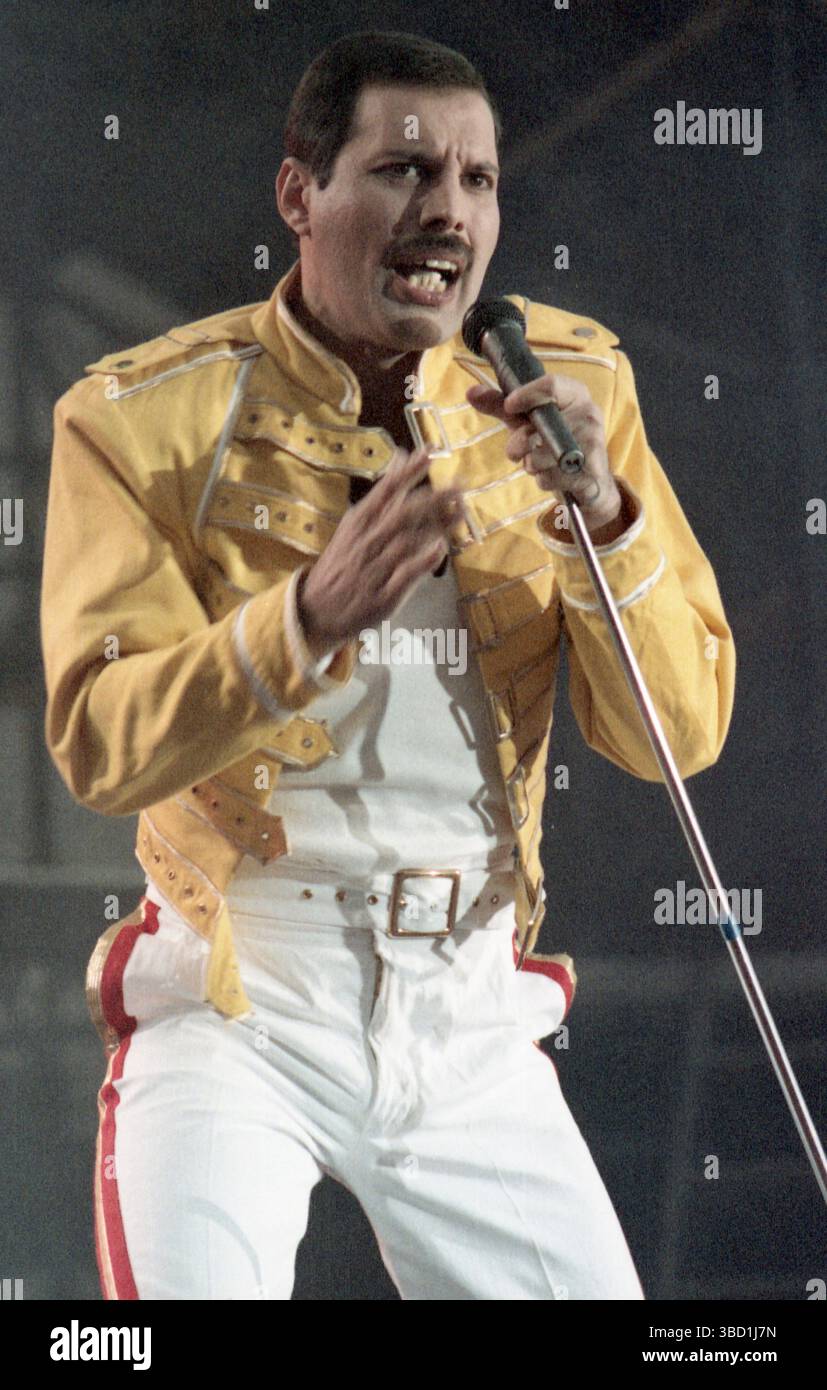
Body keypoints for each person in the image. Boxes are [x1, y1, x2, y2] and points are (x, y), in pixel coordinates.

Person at [41, 30, 735, 1300]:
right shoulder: (139, 418)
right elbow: (99, 741)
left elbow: (673, 740)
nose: (447, 210)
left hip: (470, 1007)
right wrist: (301, 617)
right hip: (240, 1000)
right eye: (406, 169)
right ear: (299, 196)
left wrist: (611, 525)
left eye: (475, 180)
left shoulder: (573, 386)